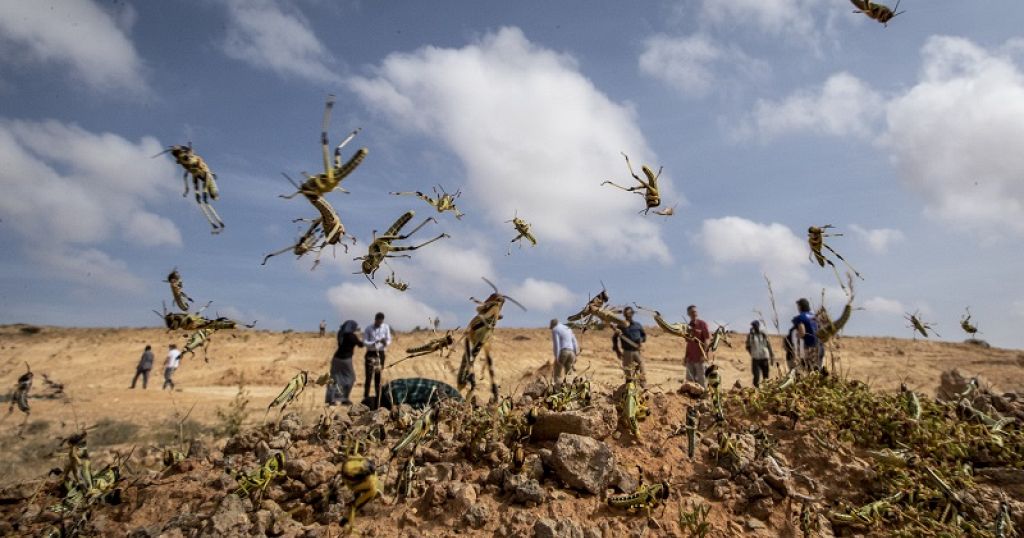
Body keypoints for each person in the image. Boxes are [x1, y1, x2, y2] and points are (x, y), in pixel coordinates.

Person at [326, 320, 364, 405]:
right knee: (350, 378)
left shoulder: (341, 333)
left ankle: (331, 400)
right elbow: (361, 345)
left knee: (334, 378)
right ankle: (344, 399)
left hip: (336, 359)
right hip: (346, 360)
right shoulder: (352, 336)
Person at [612, 306, 647, 384]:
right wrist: (617, 350)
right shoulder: (621, 326)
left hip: (637, 351)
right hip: (627, 352)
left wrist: (640, 340)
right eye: (626, 313)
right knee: (628, 375)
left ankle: (643, 389)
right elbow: (614, 338)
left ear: (632, 314)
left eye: (630, 313)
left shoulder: (638, 325)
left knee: (642, 371)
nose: (628, 315)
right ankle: (628, 392)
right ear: (624, 314)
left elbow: (644, 336)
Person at [363, 312, 392, 402]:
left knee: (378, 376)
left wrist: (385, 343)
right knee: (368, 376)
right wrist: (373, 343)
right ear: (375, 319)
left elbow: (389, 339)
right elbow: (365, 342)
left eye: (381, 321)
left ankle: (378, 398)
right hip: (371, 353)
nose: (379, 322)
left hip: (380, 353)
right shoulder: (368, 328)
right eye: (378, 320)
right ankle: (366, 397)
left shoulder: (385, 327)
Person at [684, 305, 711, 387]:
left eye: (695, 312)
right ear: (688, 314)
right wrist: (686, 356)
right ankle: (692, 399)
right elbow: (688, 343)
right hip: (690, 358)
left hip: (700, 358)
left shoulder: (702, 324)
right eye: (692, 312)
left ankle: (704, 398)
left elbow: (707, 340)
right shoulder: (688, 326)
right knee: (690, 381)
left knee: (702, 380)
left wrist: (704, 354)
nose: (694, 313)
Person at [550, 319, 580, 387]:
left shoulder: (555, 329)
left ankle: (558, 388)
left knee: (557, 372)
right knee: (569, 373)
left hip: (563, 352)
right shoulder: (568, 328)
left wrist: (557, 356)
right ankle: (569, 387)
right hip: (571, 353)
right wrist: (576, 354)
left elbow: (556, 344)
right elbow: (574, 341)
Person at [792, 298, 820, 372]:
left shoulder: (800, 317)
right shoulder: (814, 316)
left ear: (800, 306)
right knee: (816, 369)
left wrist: (798, 335)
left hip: (808, 347)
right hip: (818, 346)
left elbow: (802, 333)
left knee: (808, 370)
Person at [745, 321, 774, 388]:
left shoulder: (763, 334)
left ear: (758, 326)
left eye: (755, 325)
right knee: (756, 375)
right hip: (756, 358)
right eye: (753, 326)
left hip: (764, 357)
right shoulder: (751, 336)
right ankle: (756, 390)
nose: (754, 327)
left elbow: (768, 345)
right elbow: (748, 346)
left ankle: (766, 389)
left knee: (766, 375)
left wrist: (772, 356)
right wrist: (752, 353)